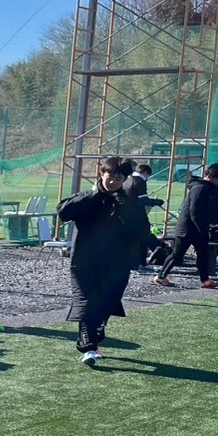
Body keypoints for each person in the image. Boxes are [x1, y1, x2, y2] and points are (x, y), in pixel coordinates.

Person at [57, 155, 149, 367]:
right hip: (84, 263)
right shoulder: (87, 197)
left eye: (119, 178)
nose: (113, 181)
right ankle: (89, 348)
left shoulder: (128, 202)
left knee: (107, 302)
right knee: (87, 303)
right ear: (102, 174)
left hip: (116, 266)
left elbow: (141, 231)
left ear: (124, 179)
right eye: (110, 176)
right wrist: (95, 195)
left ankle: (96, 330)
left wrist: (124, 206)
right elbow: (64, 212)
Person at [156, 163, 218, 288]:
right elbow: (195, 212)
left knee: (203, 254)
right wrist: (202, 229)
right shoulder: (200, 188)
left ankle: (205, 280)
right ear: (215, 177)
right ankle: (160, 276)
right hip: (187, 229)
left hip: (197, 228)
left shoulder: (204, 187)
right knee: (177, 255)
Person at [123, 163, 166, 264]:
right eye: (148, 175)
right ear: (146, 172)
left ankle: (142, 259)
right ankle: (157, 251)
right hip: (137, 212)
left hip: (126, 212)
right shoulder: (139, 181)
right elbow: (143, 200)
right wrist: (156, 202)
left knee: (136, 236)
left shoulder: (127, 180)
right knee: (144, 234)